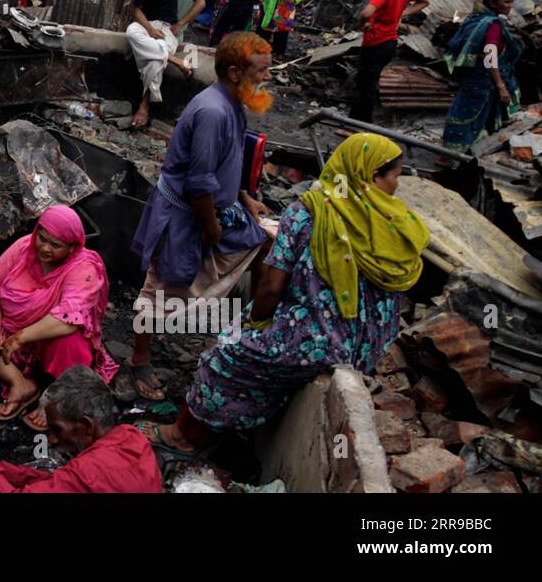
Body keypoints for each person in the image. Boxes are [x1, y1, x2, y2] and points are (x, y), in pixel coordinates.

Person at [141, 134, 428, 453]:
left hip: (314, 340)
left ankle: (183, 437)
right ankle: (239, 427)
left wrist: (251, 323)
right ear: (371, 175)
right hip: (364, 347)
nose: (397, 186)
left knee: (223, 356)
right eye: (396, 176)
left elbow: (271, 288)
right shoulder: (397, 223)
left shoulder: (311, 212)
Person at [121, 33, 275, 401]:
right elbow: (199, 179)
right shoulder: (213, 111)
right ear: (236, 72)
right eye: (261, 71)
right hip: (188, 214)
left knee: (269, 243)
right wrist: (211, 226)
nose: (266, 78)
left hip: (214, 209)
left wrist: (245, 199)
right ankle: (139, 357)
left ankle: (250, 333)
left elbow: (227, 164)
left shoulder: (233, 105)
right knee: (159, 286)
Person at [0, 206, 118, 424]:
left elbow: (69, 319)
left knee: (72, 342)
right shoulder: (24, 247)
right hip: (10, 328)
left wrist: (19, 338)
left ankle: (55, 398)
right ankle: (20, 382)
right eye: (42, 239)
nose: (45, 248)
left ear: (72, 247)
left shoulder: (84, 268)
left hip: (46, 337)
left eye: (55, 245)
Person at [0, 366, 162, 493]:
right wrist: (0, 470)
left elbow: (71, 481)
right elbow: (58, 482)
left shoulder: (88, 473)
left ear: (86, 426)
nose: (52, 440)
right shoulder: (131, 436)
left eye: (57, 429)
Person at [126, 0, 205, 128]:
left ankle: (143, 107)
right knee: (131, 32)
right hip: (146, 26)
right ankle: (173, 59)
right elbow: (135, 10)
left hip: (167, 29)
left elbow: (200, 2)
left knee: (155, 62)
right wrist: (150, 29)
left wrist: (180, 24)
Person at [351, 0, 429, 124]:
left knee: (365, 86)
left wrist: (362, 24)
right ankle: (356, 122)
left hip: (375, 42)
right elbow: (425, 1)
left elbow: (366, 12)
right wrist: (402, 13)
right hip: (390, 42)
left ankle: (358, 125)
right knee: (369, 83)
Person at [442, 0, 521, 151]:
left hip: (474, 77)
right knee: (468, 115)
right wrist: (501, 86)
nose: (510, 6)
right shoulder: (491, 24)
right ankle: (452, 154)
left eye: (512, 1)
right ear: (492, 3)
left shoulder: (475, 17)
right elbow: (489, 56)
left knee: (476, 113)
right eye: (506, 2)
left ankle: (470, 150)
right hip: (482, 80)